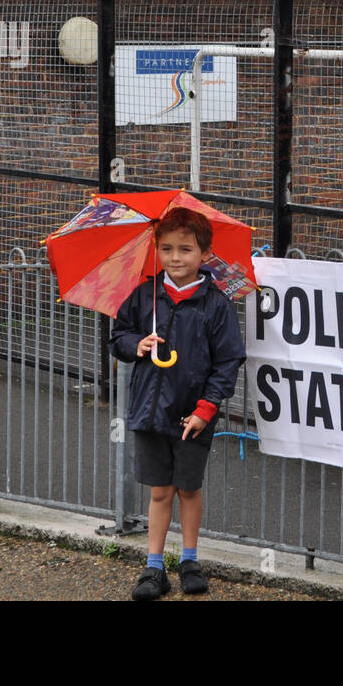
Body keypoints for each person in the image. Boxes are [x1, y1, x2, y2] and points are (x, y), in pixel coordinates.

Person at [109, 208, 245, 601]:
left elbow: (228, 360)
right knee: (159, 492)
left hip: (193, 416)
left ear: (204, 254)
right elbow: (118, 337)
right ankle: (154, 568)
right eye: (166, 248)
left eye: (186, 249)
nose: (175, 257)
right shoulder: (143, 295)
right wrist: (137, 344)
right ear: (156, 250)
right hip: (150, 413)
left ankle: (189, 560)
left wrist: (207, 408)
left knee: (188, 489)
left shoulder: (215, 304)